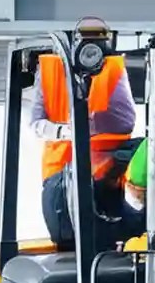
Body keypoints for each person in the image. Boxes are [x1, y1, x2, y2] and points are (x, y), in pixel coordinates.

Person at [32, 52, 138, 250]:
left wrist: (88, 124)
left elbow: (125, 122)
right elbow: (36, 124)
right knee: (72, 238)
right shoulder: (48, 68)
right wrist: (66, 131)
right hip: (60, 178)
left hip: (104, 173)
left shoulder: (112, 67)